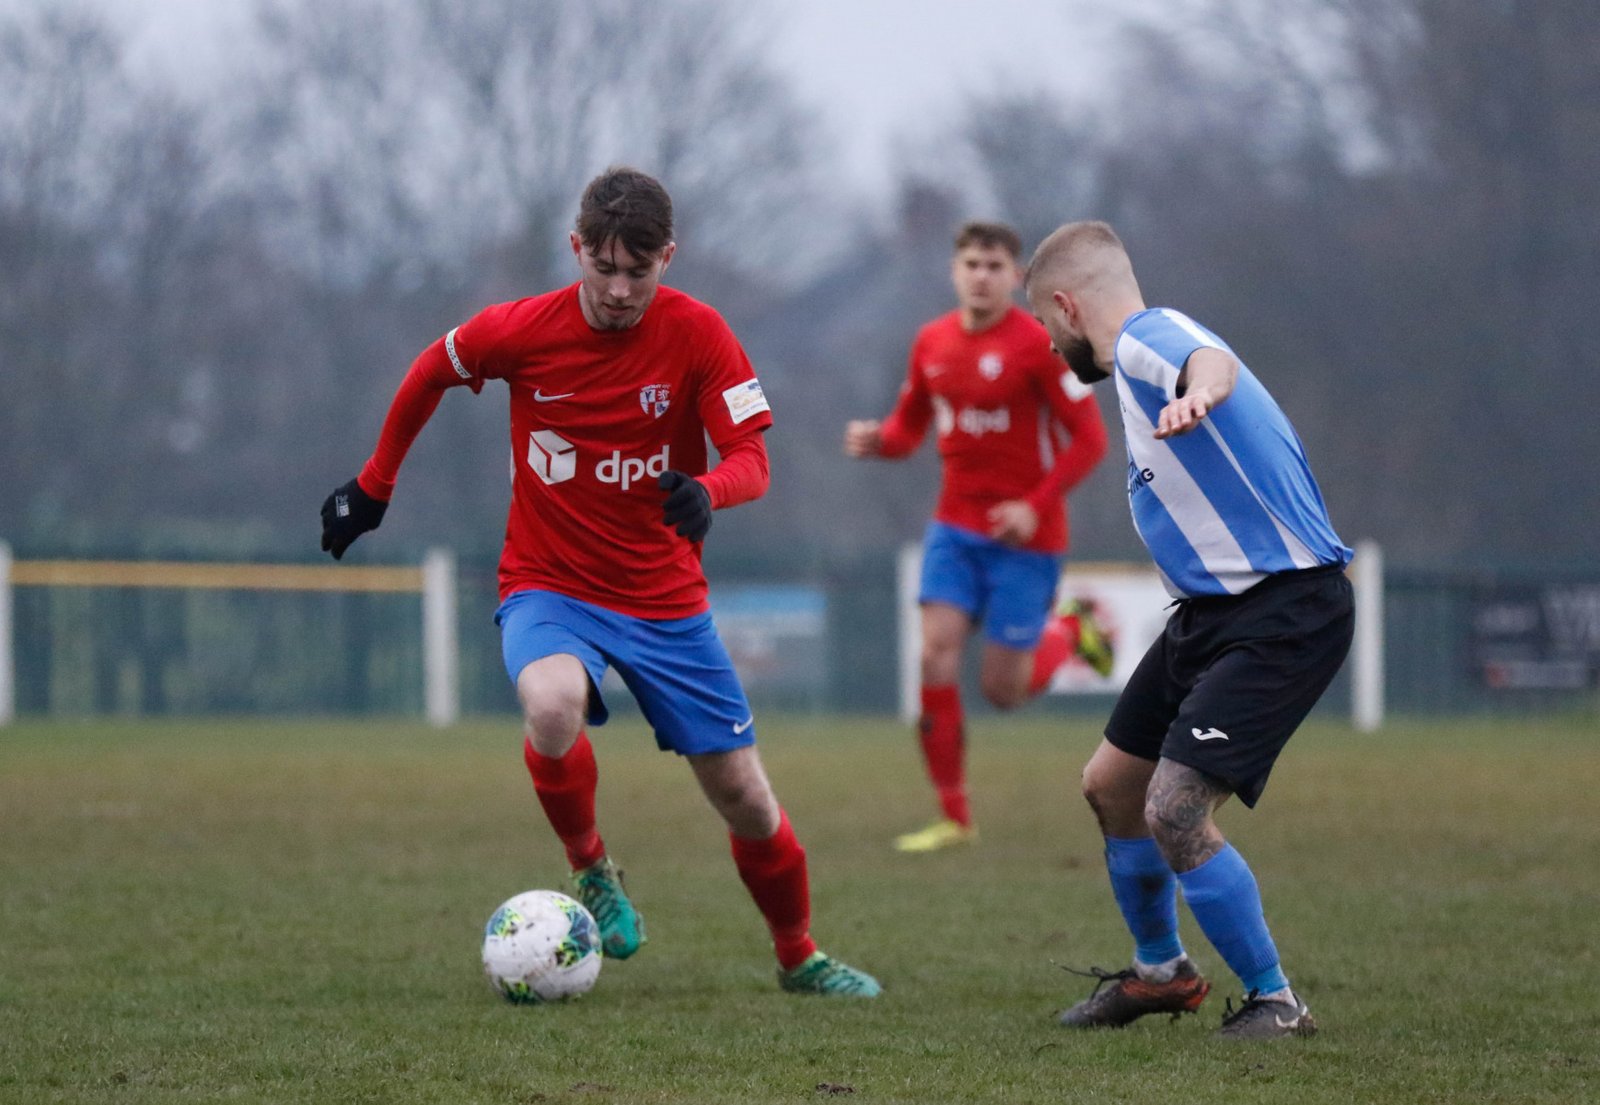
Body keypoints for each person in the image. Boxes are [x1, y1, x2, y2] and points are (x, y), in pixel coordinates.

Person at [319, 167, 879, 997]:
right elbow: (428, 372)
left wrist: (708, 492)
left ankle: (798, 954)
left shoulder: (700, 335)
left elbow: (754, 459)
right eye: (604, 268)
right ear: (576, 249)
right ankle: (593, 871)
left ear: (669, 259)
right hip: (550, 581)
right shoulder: (519, 330)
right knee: (550, 705)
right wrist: (374, 485)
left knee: (747, 799)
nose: (619, 290)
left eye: (639, 272)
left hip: (665, 601)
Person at [1024, 220, 1354, 1038]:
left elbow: (1210, 363)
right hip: (1208, 615)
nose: (1050, 345)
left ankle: (1278, 1001)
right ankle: (1162, 974)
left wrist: (1203, 389)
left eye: (1043, 328)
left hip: (1283, 609)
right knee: (1112, 786)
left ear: (1066, 307)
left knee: (1174, 806)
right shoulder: (1143, 362)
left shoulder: (1144, 337)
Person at [844, 221, 1111, 853]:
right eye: (971, 263)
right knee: (935, 655)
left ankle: (1071, 630)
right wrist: (879, 442)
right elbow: (910, 431)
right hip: (955, 530)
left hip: (1028, 540)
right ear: (954, 270)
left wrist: (1032, 506)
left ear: (1017, 277)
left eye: (995, 265)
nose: (981, 275)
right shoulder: (931, 342)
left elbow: (1092, 440)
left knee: (1002, 692)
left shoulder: (1040, 344)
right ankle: (955, 817)